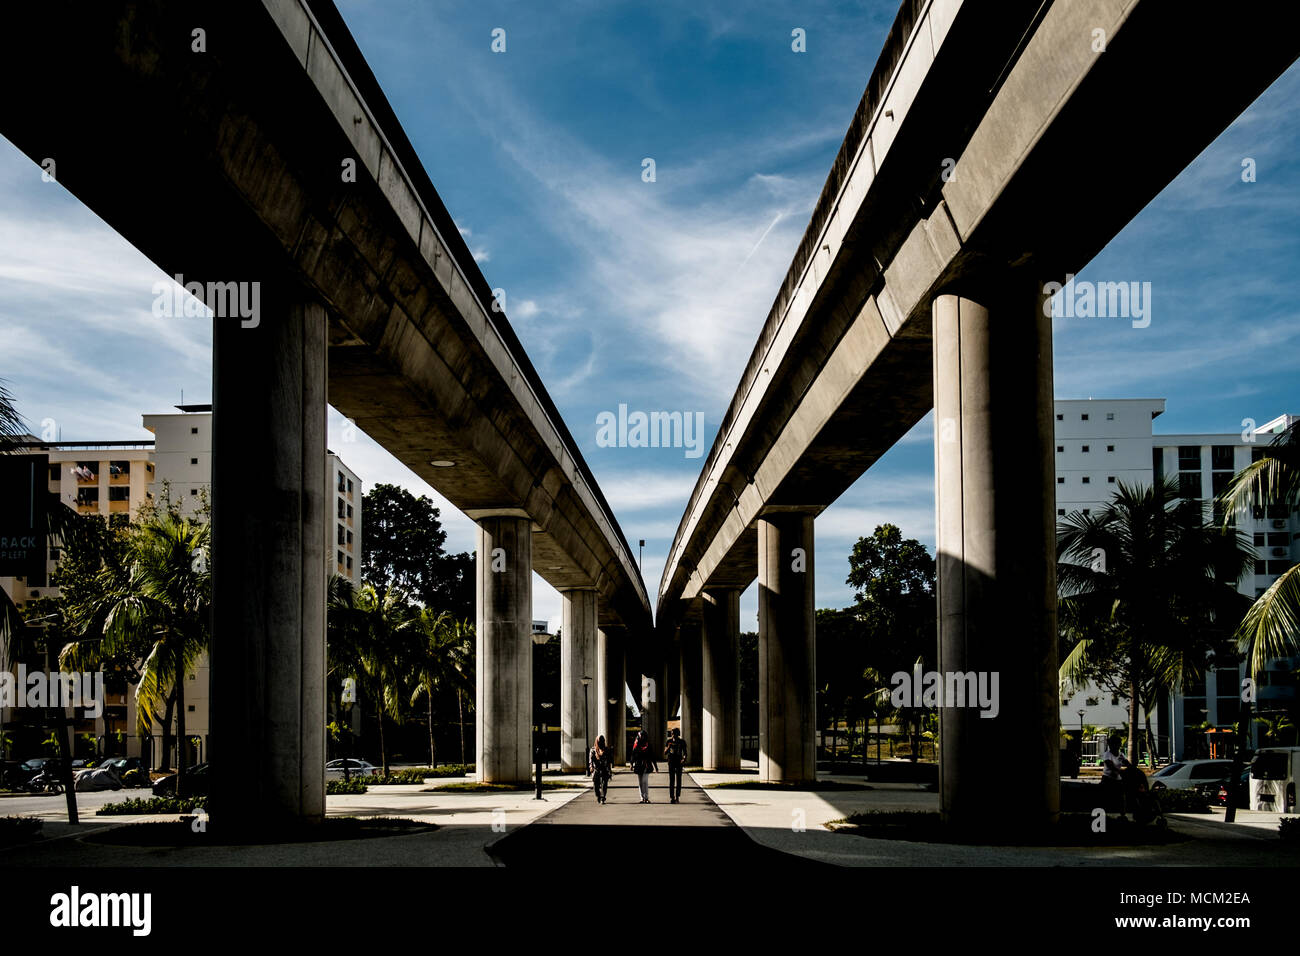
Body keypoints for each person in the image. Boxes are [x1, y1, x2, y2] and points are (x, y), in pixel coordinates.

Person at [1100, 734, 1131, 819]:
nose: (1115, 746)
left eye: (1117, 744)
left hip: (1117, 779)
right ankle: (1103, 816)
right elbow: (1110, 765)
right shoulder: (1107, 754)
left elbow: (1127, 763)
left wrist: (1131, 769)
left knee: (1122, 798)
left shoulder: (1121, 755)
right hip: (1107, 779)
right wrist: (1120, 771)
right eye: (1113, 744)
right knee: (1106, 798)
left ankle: (1123, 815)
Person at [630, 730, 657, 803]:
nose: (642, 737)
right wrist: (631, 764)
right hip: (638, 765)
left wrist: (656, 767)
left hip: (646, 765)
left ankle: (646, 797)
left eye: (643, 736)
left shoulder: (648, 745)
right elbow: (633, 755)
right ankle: (642, 797)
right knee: (640, 782)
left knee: (645, 781)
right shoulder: (636, 745)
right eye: (640, 736)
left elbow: (652, 756)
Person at [663, 727, 688, 803]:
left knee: (678, 780)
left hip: (678, 762)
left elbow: (685, 753)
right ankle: (672, 797)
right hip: (671, 762)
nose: (673, 735)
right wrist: (669, 747)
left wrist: (684, 759)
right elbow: (665, 753)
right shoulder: (668, 741)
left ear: (677, 734)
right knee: (671, 780)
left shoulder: (682, 742)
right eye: (672, 733)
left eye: (674, 733)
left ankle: (677, 796)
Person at [588, 734, 612, 804]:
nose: (601, 743)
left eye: (602, 741)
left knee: (604, 784)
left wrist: (610, 770)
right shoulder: (593, 750)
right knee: (596, 785)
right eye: (599, 742)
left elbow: (609, 761)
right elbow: (590, 760)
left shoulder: (606, 750)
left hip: (604, 769)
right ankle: (598, 795)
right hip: (596, 769)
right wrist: (591, 767)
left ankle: (603, 797)